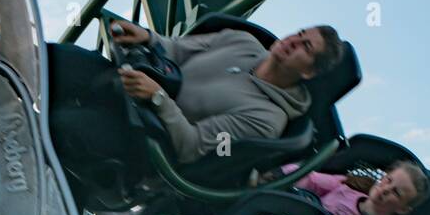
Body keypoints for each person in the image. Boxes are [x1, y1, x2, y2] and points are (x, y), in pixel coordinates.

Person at [107, 18, 345, 165]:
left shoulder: (265, 120)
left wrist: (158, 98)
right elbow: (177, 49)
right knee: (70, 61)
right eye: (300, 33)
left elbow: (191, 146)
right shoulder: (243, 41)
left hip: (135, 140)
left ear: (309, 73)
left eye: (306, 46)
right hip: (118, 89)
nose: (293, 40)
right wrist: (148, 37)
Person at [259, 161, 430, 215]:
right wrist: (278, 176)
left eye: (396, 193)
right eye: (388, 180)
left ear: (402, 209)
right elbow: (311, 179)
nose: (385, 189)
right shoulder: (351, 187)